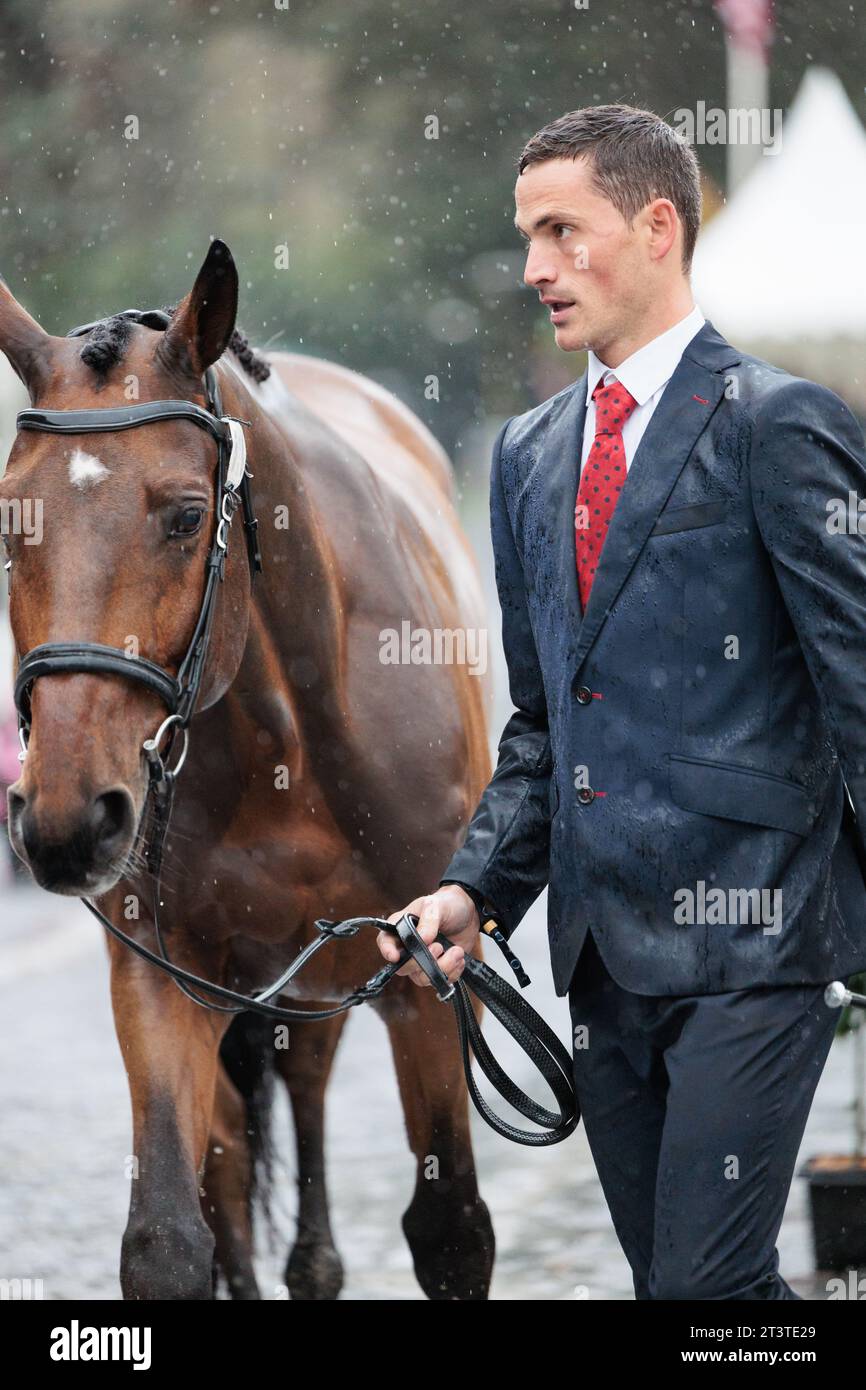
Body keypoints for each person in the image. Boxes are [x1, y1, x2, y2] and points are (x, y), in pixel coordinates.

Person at [376, 103, 866, 1300]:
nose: (535, 267)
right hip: (599, 962)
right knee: (682, 1298)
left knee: (705, 1291)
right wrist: (474, 888)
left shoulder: (778, 425)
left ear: (655, 226)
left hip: (756, 946)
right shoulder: (532, 456)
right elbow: (545, 722)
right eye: (525, 236)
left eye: (560, 230)